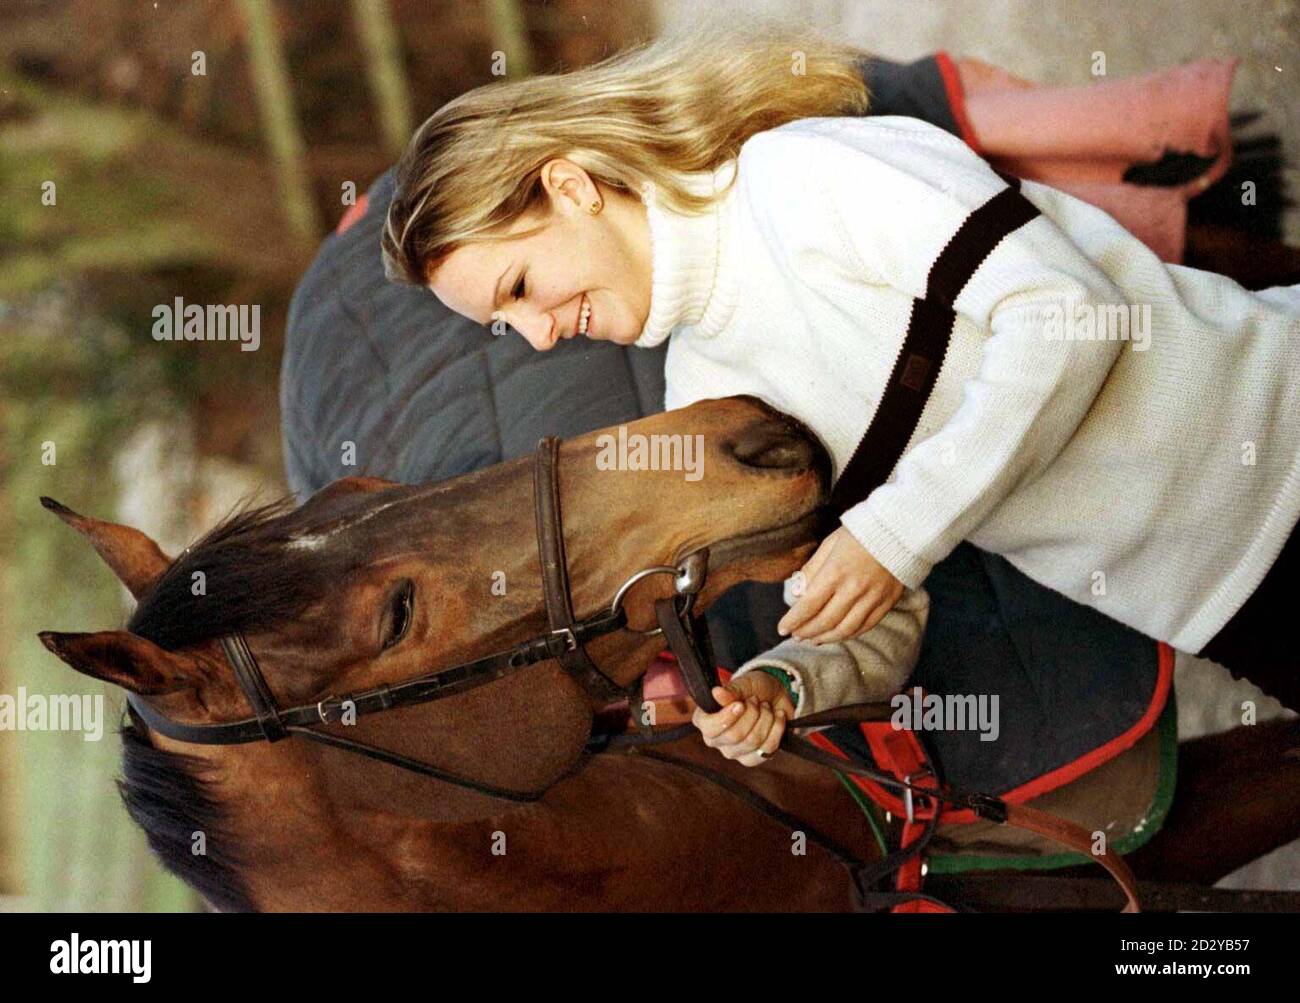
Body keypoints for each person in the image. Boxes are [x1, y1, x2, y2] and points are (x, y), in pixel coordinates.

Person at [380, 21, 1300, 750]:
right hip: (1228, 608)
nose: (538, 335)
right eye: (507, 327)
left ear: (572, 187)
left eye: (519, 289)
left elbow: (1067, 313)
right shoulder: (703, 399)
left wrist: (894, 533)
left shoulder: (797, 178)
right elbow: (883, 608)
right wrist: (789, 681)